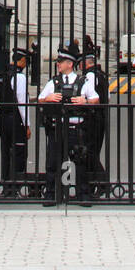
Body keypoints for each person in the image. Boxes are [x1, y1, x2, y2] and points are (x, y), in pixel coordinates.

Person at [38, 45, 99, 207]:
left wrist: (84, 101)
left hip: (75, 128)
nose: (58, 64)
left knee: (80, 162)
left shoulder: (82, 82)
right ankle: (51, 194)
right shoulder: (54, 82)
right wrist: (49, 98)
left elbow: (96, 99)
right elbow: (40, 99)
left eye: (61, 61)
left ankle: (82, 194)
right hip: (57, 127)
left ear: (70, 64)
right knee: (53, 162)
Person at [0, 47, 30, 194]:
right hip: (15, 119)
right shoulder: (20, 77)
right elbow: (22, 102)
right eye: (26, 61)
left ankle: (5, 183)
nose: (26, 64)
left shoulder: (2, 75)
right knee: (19, 152)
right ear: (21, 61)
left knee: (5, 151)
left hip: (2, 118)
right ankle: (15, 184)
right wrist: (27, 124)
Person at [83, 47, 109, 194]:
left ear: (86, 63)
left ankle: (103, 181)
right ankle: (93, 184)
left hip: (93, 116)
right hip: (101, 116)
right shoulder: (102, 75)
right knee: (93, 151)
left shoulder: (90, 76)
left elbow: (91, 97)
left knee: (90, 152)